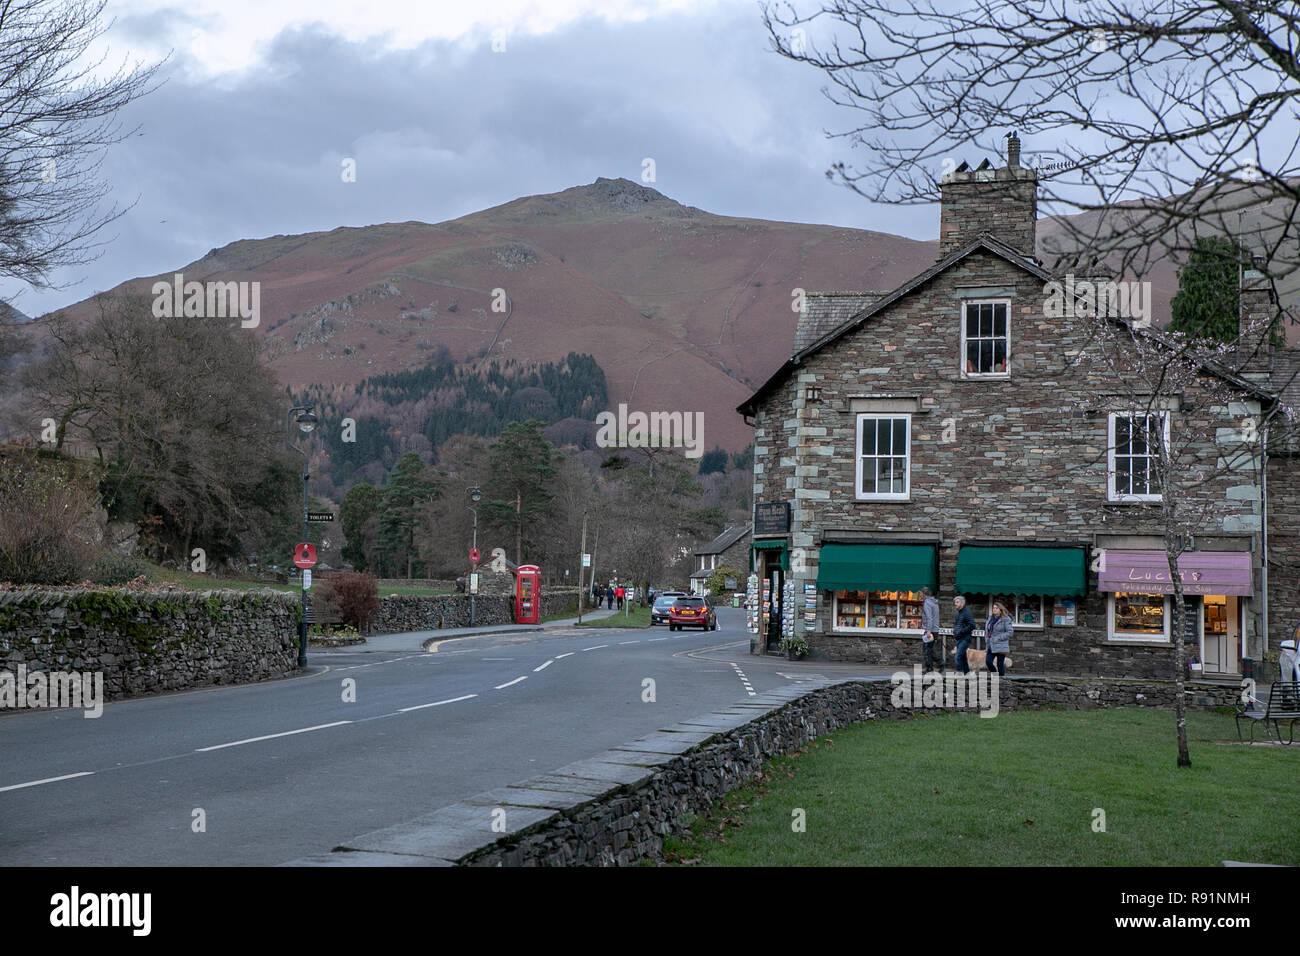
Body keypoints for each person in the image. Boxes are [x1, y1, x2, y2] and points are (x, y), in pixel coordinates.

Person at [984, 600, 1013, 677]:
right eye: (993, 608)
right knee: (988, 662)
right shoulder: (990, 619)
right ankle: (996, 676)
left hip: (1001, 644)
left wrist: (998, 638)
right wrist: (987, 640)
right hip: (991, 644)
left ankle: (1001, 680)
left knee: (1000, 664)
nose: (994, 609)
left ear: (1000, 610)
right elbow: (987, 631)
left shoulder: (1006, 619)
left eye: (996, 608)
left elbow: (1010, 632)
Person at [920, 586, 942, 673]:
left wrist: (928, 631)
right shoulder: (934, 602)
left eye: (921, 593)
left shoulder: (927, 603)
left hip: (931, 630)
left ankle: (931, 667)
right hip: (935, 630)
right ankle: (937, 664)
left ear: (923, 594)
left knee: (926, 650)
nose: (920, 595)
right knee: (929, 649)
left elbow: (929, 618)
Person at [953, 595, 975, 674]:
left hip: (965, 638)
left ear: (962, 603)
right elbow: (957, 625)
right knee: (963, 657)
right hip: (959, 638)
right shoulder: (958, 614)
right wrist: (955, 632)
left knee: (958, 656)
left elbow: (972, 625)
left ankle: (959, 673)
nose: (955, 604)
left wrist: (962, 631)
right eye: (955, 602)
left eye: (957, 602)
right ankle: (967, 673)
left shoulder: (966, 613)